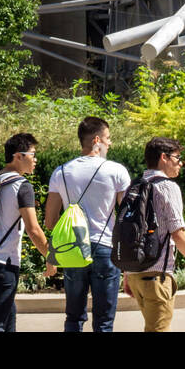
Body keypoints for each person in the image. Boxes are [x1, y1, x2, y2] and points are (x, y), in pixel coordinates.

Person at [43, 116, 132, 332]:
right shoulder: (116, 171)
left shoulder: (61, 172)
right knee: (104, 321)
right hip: (105, 249)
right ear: (97, 140)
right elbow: (128, 218)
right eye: (108, 138)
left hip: (73, 249)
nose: (110, 143)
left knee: (73, 317)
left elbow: (50, 221)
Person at [0, 133, 55, 332]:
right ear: (18, 156)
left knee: (8, 317)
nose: (35, 159)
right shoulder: (22, 186)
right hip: (3, 265)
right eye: (32, 154)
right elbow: (34, 230)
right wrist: (50, 257)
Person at [121, 137, 185, 332]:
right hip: (156, 275)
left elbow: (126, 231)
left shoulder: (134, 186)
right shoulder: (167, 187)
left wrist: (127, 273)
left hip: (135, 275)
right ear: (164, 157)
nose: (180, 163)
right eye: (177, 157)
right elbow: (177, 231)